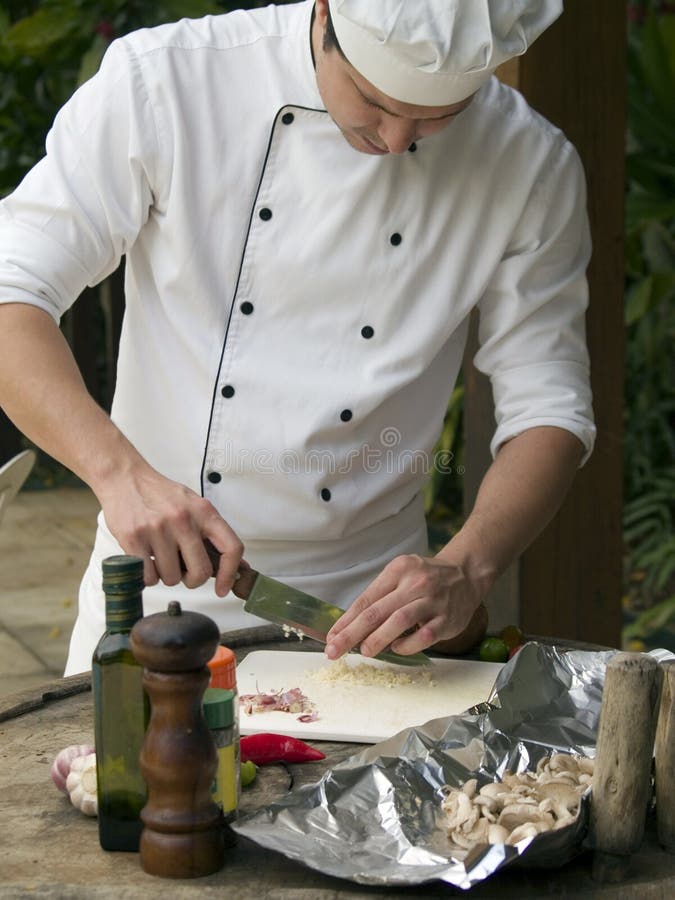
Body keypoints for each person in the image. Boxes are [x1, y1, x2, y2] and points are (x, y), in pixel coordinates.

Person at [0, 0, 595, 676]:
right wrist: (119, 474)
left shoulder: (530, 162)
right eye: (373, 100)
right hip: (158, 592)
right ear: (324, 16)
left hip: (371, 614)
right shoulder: (167, 81)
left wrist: (466, 567)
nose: (396, 139)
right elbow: (12, 290)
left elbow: (549, 408)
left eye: (438, 117)